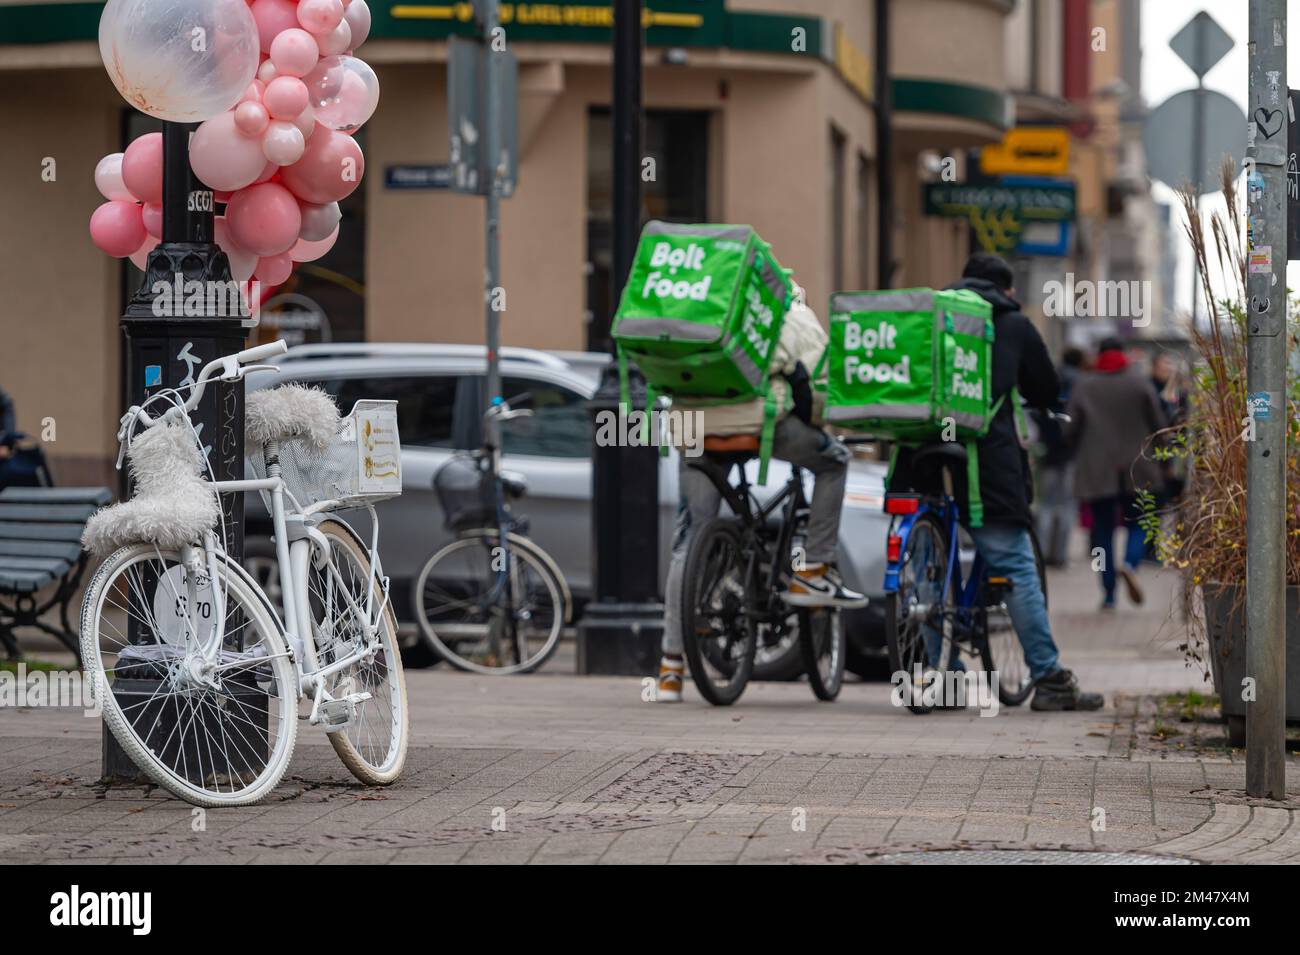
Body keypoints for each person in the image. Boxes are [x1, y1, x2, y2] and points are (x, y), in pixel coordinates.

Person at [890, 253, 1103, 711]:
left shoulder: (933, 316)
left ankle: (945, 677)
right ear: (1007, 290)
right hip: (984, 459)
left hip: (917, 451)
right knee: (1016, 564)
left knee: (927, 566)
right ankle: (1049, 679)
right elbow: (1045, 387)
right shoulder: (1013, 323)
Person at [656, 286, 867, 703]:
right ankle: (813, 570)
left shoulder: (703, 308)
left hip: (694, 427)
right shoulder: (793, 314)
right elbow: (817, 381)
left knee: (690, 538)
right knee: (834, 462)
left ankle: (669, 670)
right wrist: (818, 421)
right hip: (760, 425)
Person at [1066, 338, 1167, 610]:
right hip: (1138, 467)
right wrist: (1165, 456)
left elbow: (1070, 429)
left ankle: (1108, 592)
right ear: (1123, 354)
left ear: (1099, 355)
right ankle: (1131, 564)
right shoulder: (1140, 383)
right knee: (1141, 521)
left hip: (1097, 470)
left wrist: (1075, 450)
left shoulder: (1084, 386)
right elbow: (1159, 424)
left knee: (1102, 533)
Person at [1032, 347, 1084, 567]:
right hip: (1070, 454)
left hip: (1047, 452)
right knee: (1067, 505)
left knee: (1045, 504)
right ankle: (1060, 555)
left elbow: (1036, 412)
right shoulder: (1081, 383)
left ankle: (1042, 553)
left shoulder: (1049, 380)